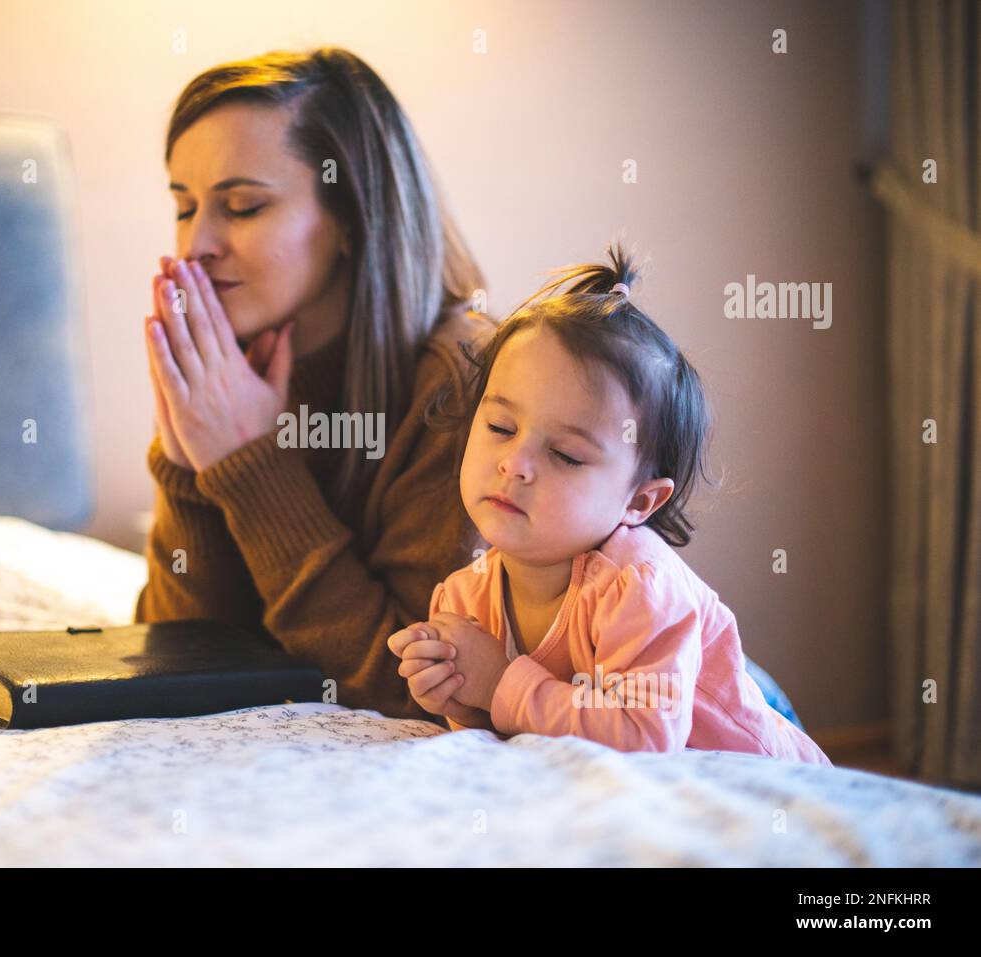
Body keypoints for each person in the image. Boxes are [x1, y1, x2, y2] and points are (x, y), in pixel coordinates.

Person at [134, 47, 494, 724]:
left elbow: (409, 685)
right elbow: (176, 655)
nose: (195, 245)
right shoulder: (232, 369)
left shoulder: (459, 384)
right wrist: (189, 469)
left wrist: (251, 468)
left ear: (352, 219)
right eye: (184, 207)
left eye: (241, 206)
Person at [388, 244, 832, 765]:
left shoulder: (638, 587)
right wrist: (454, 693)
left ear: (640, 501)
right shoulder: (465, 598)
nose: (516, 464)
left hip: (764, 787)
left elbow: (643, 738)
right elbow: (512, 731)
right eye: (500, 427)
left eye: (565, 455)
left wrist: (500, 681)